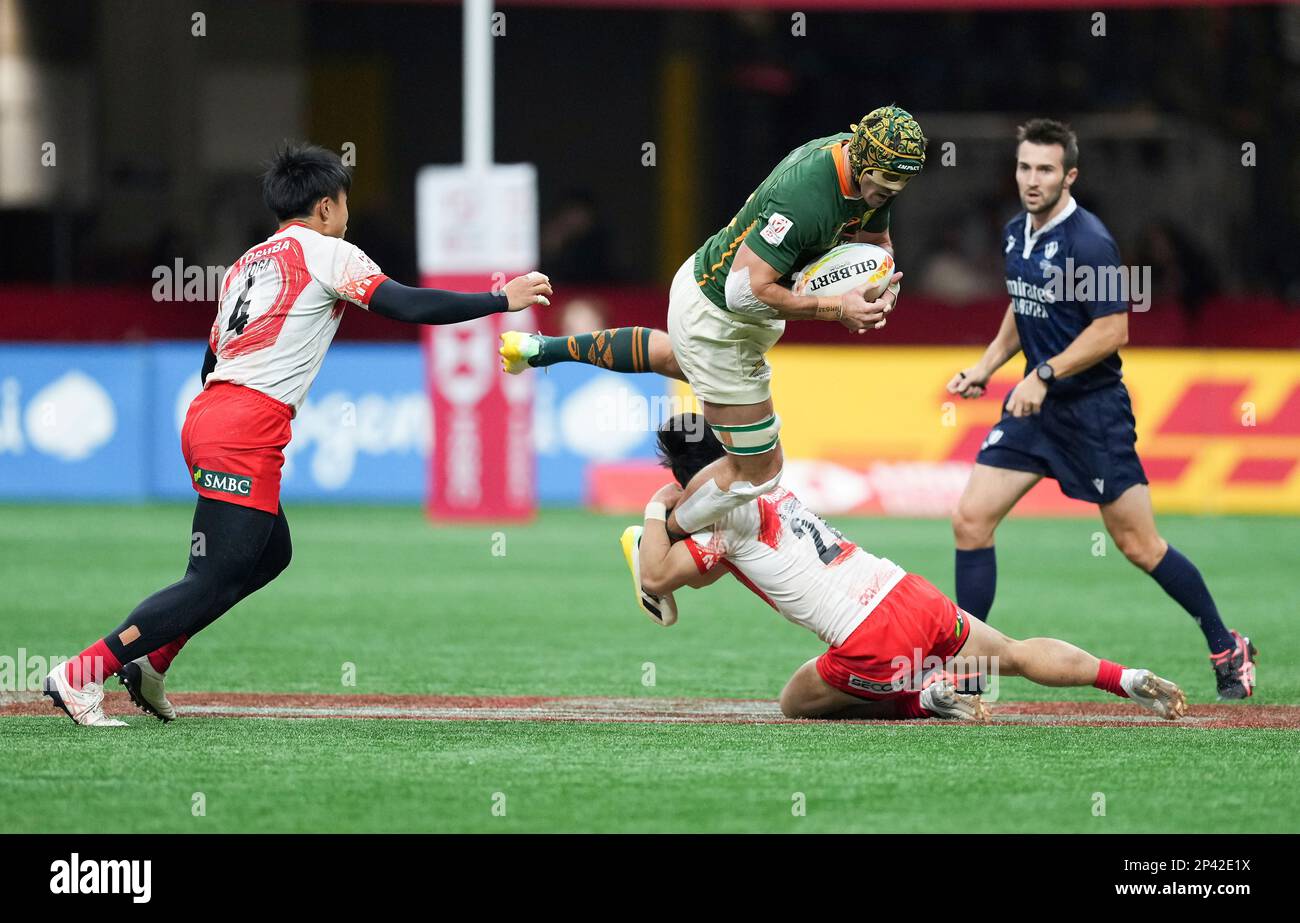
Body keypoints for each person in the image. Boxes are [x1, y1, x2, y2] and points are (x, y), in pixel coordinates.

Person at [42, 143, 553, 727]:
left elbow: (212, 357)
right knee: (211, 576)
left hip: (210, 410)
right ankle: (84, 672)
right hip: (245, 425)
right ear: (328, 207)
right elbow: (404, 305)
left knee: (267, 552)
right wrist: (498, 300)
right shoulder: (328, 253)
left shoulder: (247, 263)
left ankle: (152, 661)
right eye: (345, 204)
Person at [500, 105, 923, 540]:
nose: (891, 191)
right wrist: (837, 308)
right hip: (722, 318)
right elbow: (744, 290)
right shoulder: (808, 193)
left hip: (712, 292)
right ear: (860, 159)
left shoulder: (868, 173)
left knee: (673, 356)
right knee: (759, 471)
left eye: (901, 183)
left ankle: (540, 349)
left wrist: (880, 286)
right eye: (886, 180)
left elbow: (876, 248)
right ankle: (658, 535)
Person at [944, 119, 1255, 700]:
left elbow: (1114, 330)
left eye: (1045, 170)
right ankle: (969, 668)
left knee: (1140, 546)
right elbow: (1023, 308)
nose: (1032, 180)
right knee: (970, 520)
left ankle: (1225, 642)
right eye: (1024, 167)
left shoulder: (1090, 241)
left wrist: (1043, 372)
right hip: (1033, 411)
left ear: (1070, 175)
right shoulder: (1016, 232)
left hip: (1091, 414)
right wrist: (987, 367)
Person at [628, 414, 1188, 722]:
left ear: (682, 478)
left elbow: (656, 577)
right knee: (1013, 653)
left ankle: (922, 698)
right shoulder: (769, 485)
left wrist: (657, 506)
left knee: (794, 703)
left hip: (869, 638)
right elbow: (701, 571)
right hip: (908, 593)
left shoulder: (720, 523)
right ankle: (1126, 678)